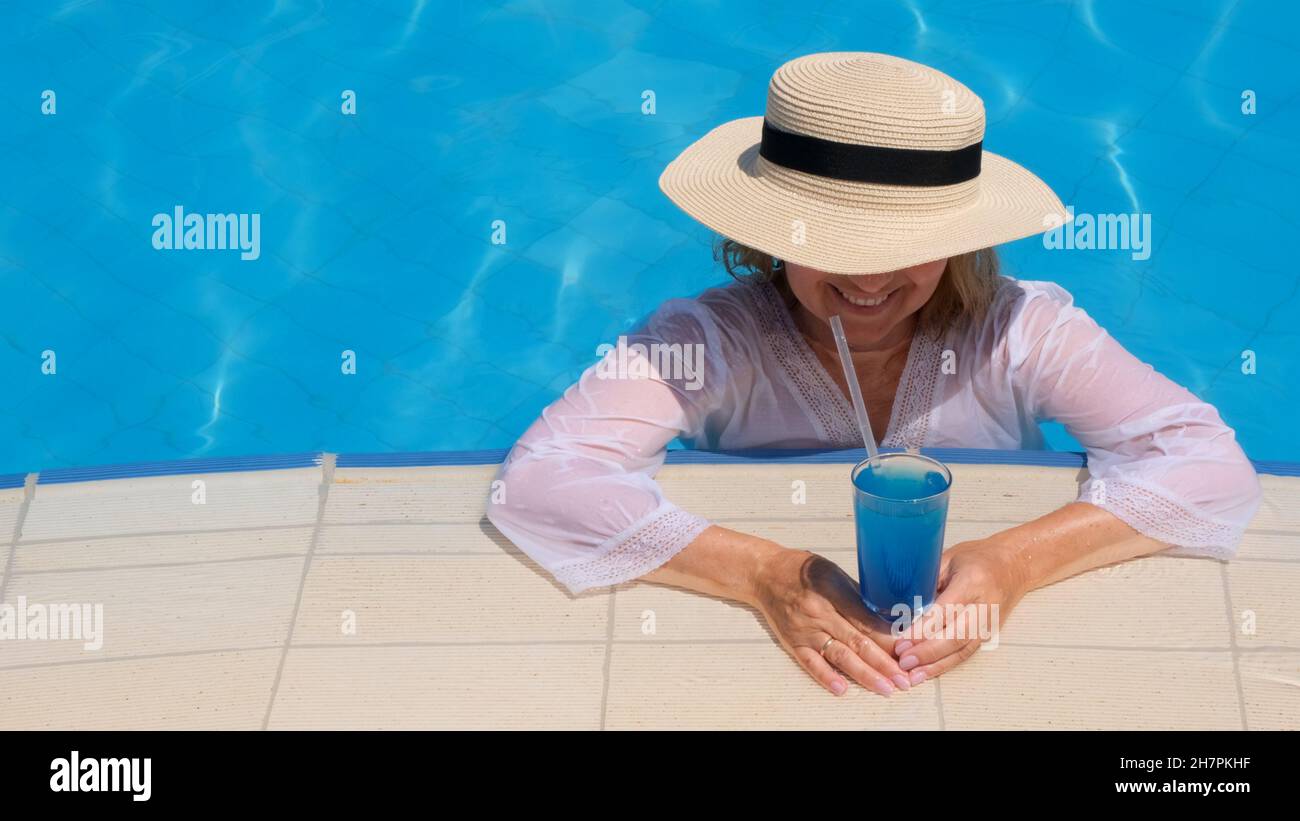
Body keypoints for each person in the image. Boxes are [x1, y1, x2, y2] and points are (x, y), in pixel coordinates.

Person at [486, 52, 1261, 697]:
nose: (870, 274)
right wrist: (764, 571)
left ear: (960, 238)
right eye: (835, 236)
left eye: (907, 239)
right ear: (773, 233)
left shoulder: (1021, 331)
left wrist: (1017, 560)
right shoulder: (709, 343)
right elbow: (538, 482)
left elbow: (1209, 462)